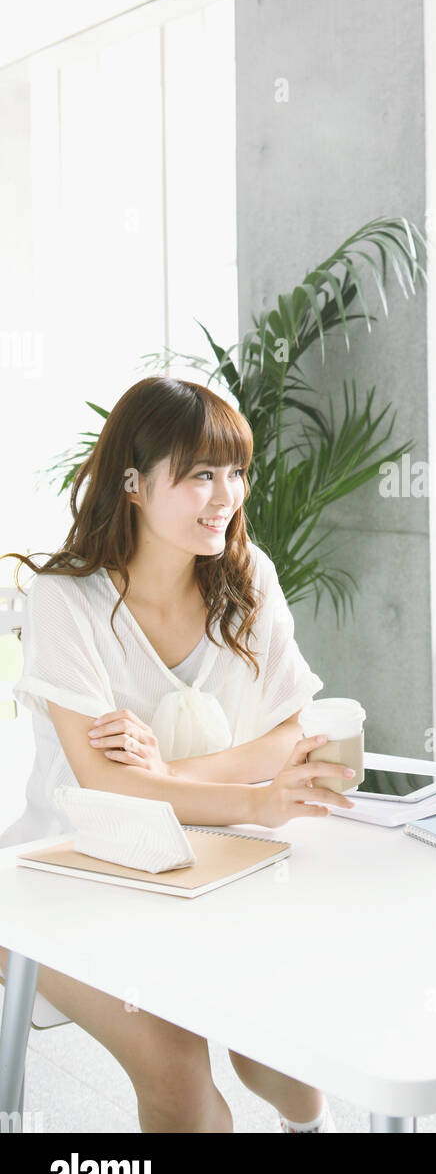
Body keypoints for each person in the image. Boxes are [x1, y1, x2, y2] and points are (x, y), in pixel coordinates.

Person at [0, 375, 354, 1133]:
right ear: (131, 482)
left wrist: (163, 776)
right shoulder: (67, 598)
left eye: (235, 472)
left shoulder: (248, 578)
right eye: (200, 474)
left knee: (285, 1058)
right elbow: (102, 790)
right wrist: (255, 797)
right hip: (64, 882)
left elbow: (290, 733)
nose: (225, 495)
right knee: (180, 1078)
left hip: (208, 866)